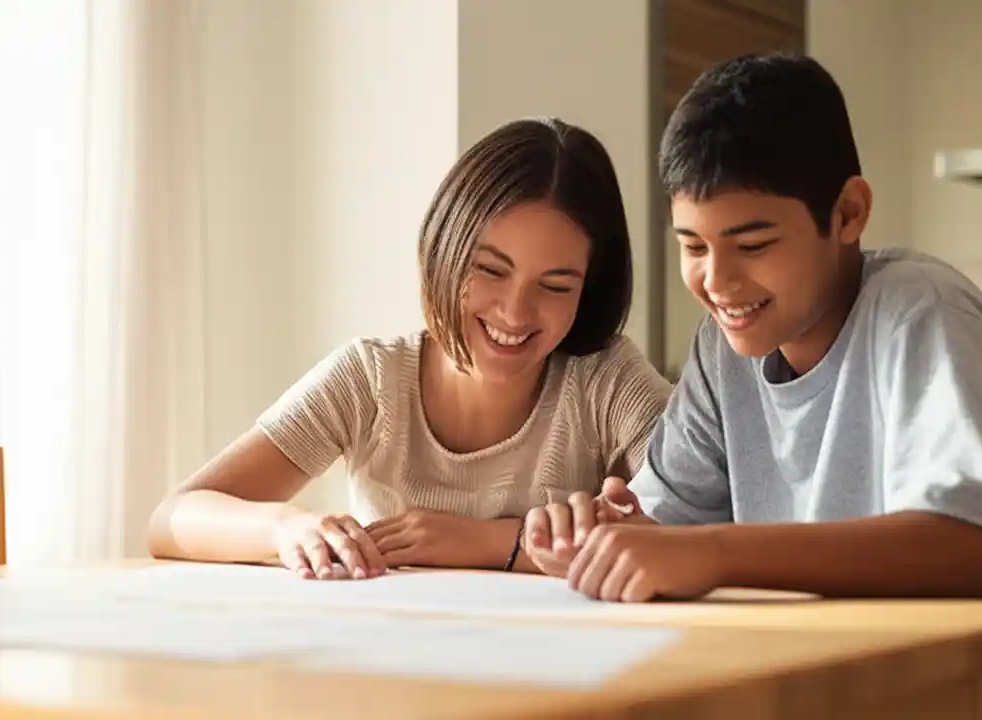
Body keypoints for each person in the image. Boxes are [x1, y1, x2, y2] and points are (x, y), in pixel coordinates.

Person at [524, 54, 982, 719]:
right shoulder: (723, 350)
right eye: (693, 246)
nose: (717, 282)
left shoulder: (921, 312)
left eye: (753, 244)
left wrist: (711, 553)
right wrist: (602, 536)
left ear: (847, 213)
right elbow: (664, 525)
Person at [148, 117, 671, 581]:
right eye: (490, 270)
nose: (515, 313)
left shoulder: (607, 381)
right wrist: (286, 527)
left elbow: (703, 529)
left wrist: (496, 543)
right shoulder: (370, 378)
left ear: (589, 290)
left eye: (555, 286)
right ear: (442, 250)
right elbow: (173, 519)